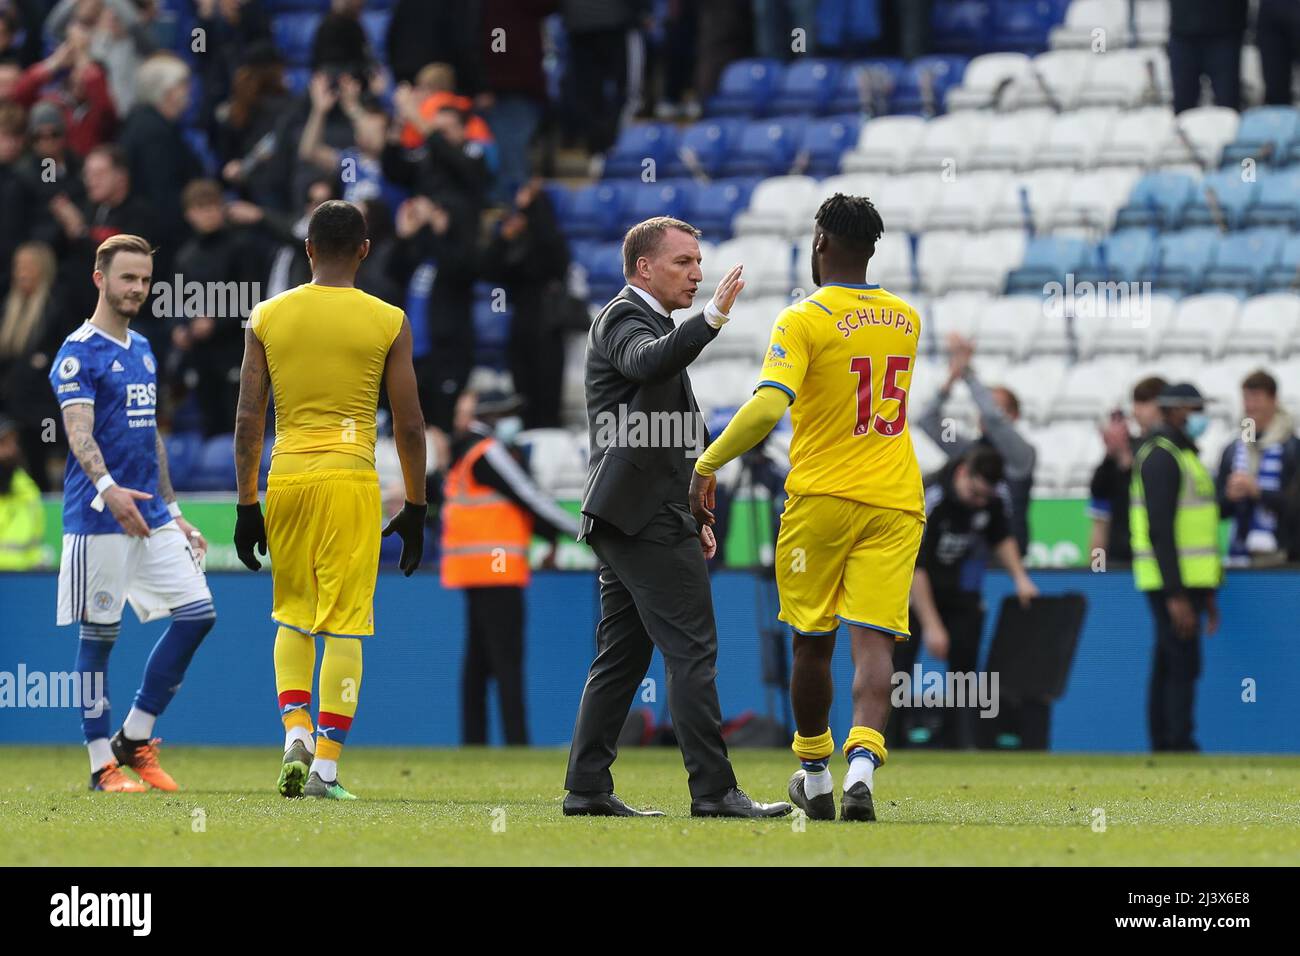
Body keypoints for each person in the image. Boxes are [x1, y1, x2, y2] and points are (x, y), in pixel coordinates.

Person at [692, 194, 928, 821]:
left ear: (819, 242)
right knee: (875, 643)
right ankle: (862, 771)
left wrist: (708, 462)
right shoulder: (907, 319)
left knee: (811, 642)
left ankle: (816, 774)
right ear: (872, 248)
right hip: (896, 500)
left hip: (821, 499)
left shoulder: (803, 319)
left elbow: (770, 408)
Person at [564, 215, 789, 819]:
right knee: (693, 651)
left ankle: (586, 787)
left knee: (621, 657)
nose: (697, 272)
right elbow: (648, 365)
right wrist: (712, 318)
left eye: (698, 262)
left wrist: (693, 506)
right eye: (683, 262)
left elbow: (665, 431)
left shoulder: (645, 321)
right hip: (640, 518)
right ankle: (713, 791)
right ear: (644, 268)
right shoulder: (622, 318)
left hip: (634, 512)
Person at [232, 199, 428, 800]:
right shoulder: (388, 319)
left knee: (292, 613)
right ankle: (325, 768)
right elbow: (411, 424)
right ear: (364, 250)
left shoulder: (267, 316)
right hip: (350, 476)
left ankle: (295, 728)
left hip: (286, 474)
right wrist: (417, 506)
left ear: (308, 250)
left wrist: (246, 505)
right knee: (343, 623)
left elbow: (247, 418)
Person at [47, 233, 216, 793]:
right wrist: (109, 489)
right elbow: (78, 433)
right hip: (100, 517)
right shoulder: (78, 353)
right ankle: (102, 766)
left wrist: (175, 510)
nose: (138, 289)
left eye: (145, 280)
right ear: (101, 279)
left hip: (153, 515)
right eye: (128, 278)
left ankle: (134, 735)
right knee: (99, 638)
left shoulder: (143, 348)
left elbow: (152, 439)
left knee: (197, 614)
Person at [441, 380, 580, 746]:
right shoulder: (487, 451)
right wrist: (581, 529)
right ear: (492, 416)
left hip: (474, 568)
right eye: (507, 413)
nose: (512, 420)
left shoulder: (463, 451)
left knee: (478, 661)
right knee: (507, 660)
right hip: (498, 568)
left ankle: (474, 742)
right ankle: (516, 742)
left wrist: (548, 538)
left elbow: (510, 505)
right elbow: (529, 496)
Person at [903, 446, 1038, 750]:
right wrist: (933, 626)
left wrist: (1019, 577)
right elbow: (915, 566)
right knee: (898, 667)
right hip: (915, 588)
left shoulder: (994, 496)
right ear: (963, 473)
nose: (979, 503)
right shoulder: (931, 496)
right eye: (974, 494)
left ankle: (960, 743)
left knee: (964, 673)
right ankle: (887, 742)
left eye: (984, 498)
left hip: (962, 591)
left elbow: (1001, 536)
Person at [1130, 382, 1223, 752]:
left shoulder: (1181, 454)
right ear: (1171, 410)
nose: (1198, 416)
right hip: (1173, 582)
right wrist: (1175, 594)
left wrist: (1208, 590)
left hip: (1187, 581)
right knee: (1182, 663)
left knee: (1170, 661)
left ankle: (1166, 741)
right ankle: (1177, 741)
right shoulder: (1162, 456)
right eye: (1192, 408)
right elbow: (1161, 529)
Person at [917, 332, 1035, 555]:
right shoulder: (969, 451)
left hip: (1009, 557)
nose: (987, 411)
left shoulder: (1022, 455)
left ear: (1015, 416)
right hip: (970, 559)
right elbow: (927, 421)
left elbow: (994, 419)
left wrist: (967, 372)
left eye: (999, 408)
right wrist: (952, 378)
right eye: (985, 405)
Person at [1216, 370, 1299, 567]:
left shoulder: (1292, 448)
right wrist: (1229, 497)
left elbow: (1295, 506)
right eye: (1246, 398)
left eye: (1256, 399)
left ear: (1273, 400)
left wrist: (1258, 492)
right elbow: (1218, 507)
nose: (1250, 406)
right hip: (1239, 554)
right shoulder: (1233, 449)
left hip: (1283, 556)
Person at [1088, 376, 1167, 564]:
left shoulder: (1170, 453)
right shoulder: (1108, 467)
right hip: (1121, 562)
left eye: (1145, 403)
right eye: (1136, 403)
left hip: (1159, 558)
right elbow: (1100, 524)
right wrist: (1097, 568)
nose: (1137, 411)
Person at [0, 414, 43, 569]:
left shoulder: (28, 489)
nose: (10, 451)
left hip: (23, 578)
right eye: (3, 443)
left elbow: (34, 540)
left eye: (13, 442)